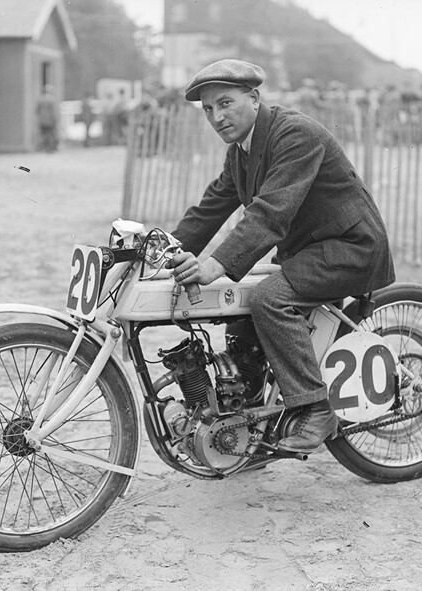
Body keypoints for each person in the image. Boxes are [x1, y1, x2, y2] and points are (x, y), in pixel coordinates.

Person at [167, 59, 395, 454]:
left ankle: (316, 408)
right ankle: (251, 414)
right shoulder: (241, 152)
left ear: (254, 98)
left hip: (350, 248)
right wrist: (164, 250)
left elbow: (270, 213)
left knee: (268, 299)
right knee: (239, 305)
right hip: (309, 252)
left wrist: (212, 266)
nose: (217, 117)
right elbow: (209, 209)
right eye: (208, 109)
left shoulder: (295, 135)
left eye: (225, 103)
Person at [36, 84, 59, 152]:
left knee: (44, 134)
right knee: (51, 134)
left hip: (42, 120)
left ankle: (44, 147)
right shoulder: (52, 99)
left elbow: (37, 110)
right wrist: (55, 119)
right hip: (50, 120)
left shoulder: (40, 99)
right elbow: (53, 111)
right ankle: (50, 148)